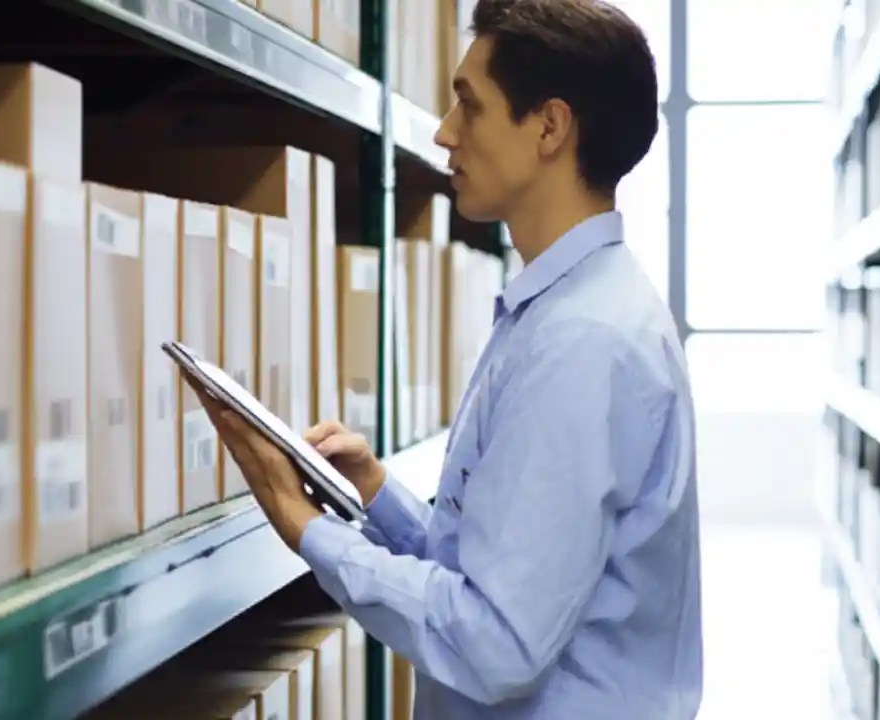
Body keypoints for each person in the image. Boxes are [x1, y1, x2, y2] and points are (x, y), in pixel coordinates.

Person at [194, 0, 702, 716]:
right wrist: (376, 498)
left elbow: (497, 644)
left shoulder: (584, 340)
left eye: (470, 105)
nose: (443, 132)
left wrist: (306, 528)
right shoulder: (565, 310)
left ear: (549, 127)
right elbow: (510, 566)